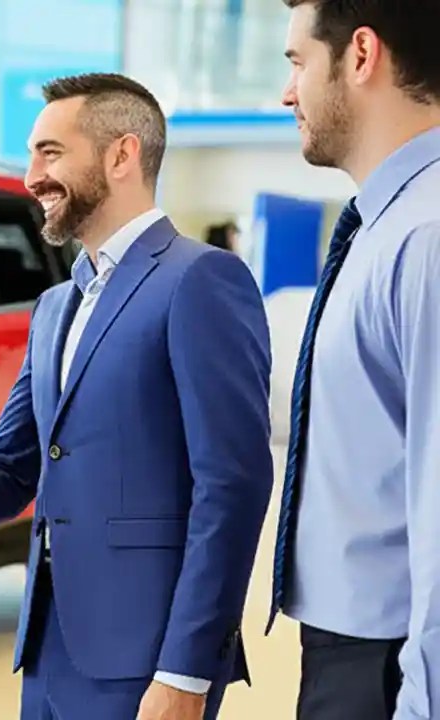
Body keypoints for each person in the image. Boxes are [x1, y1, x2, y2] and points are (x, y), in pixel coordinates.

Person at [0, 73, 274, 720]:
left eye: (50, 153)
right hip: (49, 645)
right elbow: (9, 471)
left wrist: (187, 667)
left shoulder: (201, 280)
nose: (31, 177)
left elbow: (231, 486)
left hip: (147, 657)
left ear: (122, 155)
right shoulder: (55, 307)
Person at [269, 2, 440, 718]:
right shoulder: (386, 224)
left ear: (361, 54)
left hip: (390, 663)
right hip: (353, 650)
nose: (287, 92)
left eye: (297, 62)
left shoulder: (426, 235)